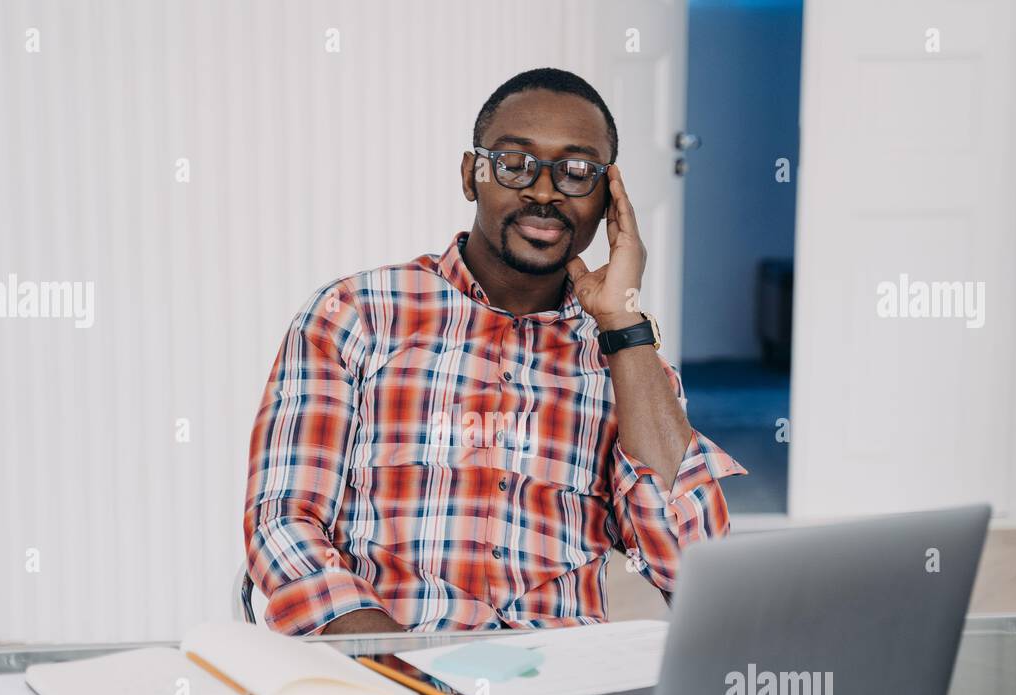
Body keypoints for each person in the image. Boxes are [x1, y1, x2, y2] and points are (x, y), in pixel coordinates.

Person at [243, 67, 746, 636]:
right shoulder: (356, 313)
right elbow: (283, 522)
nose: (543, 191)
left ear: (608, 197)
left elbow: (694, 572)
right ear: (470, 174)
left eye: (577, 171)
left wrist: (623, 325)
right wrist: (387, 664)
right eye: (514, 163)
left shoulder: (630, 362)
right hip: (390, 673)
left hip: (555, 685)